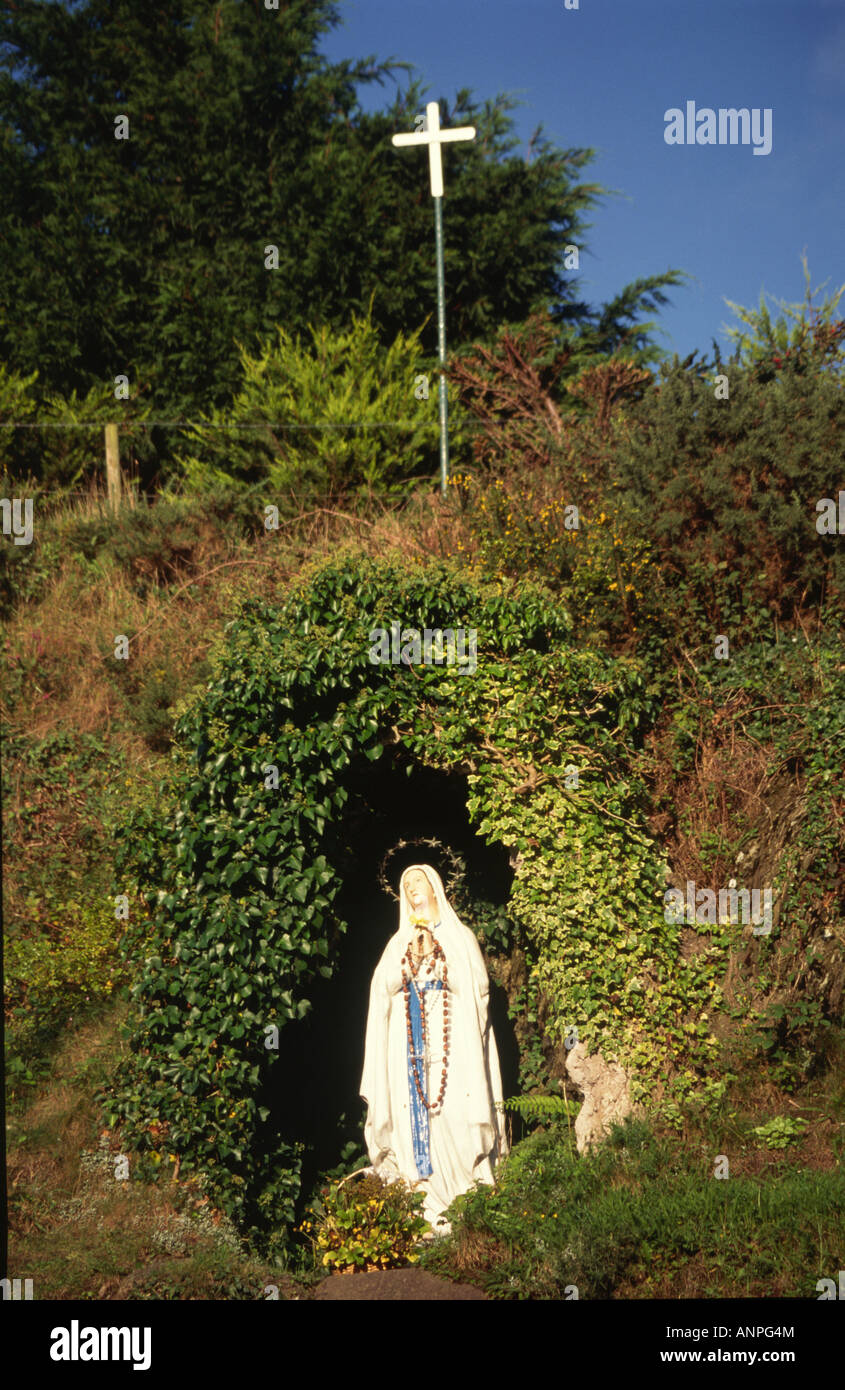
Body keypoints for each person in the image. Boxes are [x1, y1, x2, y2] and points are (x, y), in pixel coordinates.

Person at [360, 863, 507, 1231]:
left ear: (435, 887)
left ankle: (465, 1199)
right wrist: (409, 963)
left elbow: (479, 991)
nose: (411, 889)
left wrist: (440, 967)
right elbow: (380, 991)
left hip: (453, 1047)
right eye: (405, 884)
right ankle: (421, 1208)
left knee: (456, 1113)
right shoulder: (398, 943)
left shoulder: (460, 937)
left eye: (417, 881)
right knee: (411, 1120)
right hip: (406, 1050)